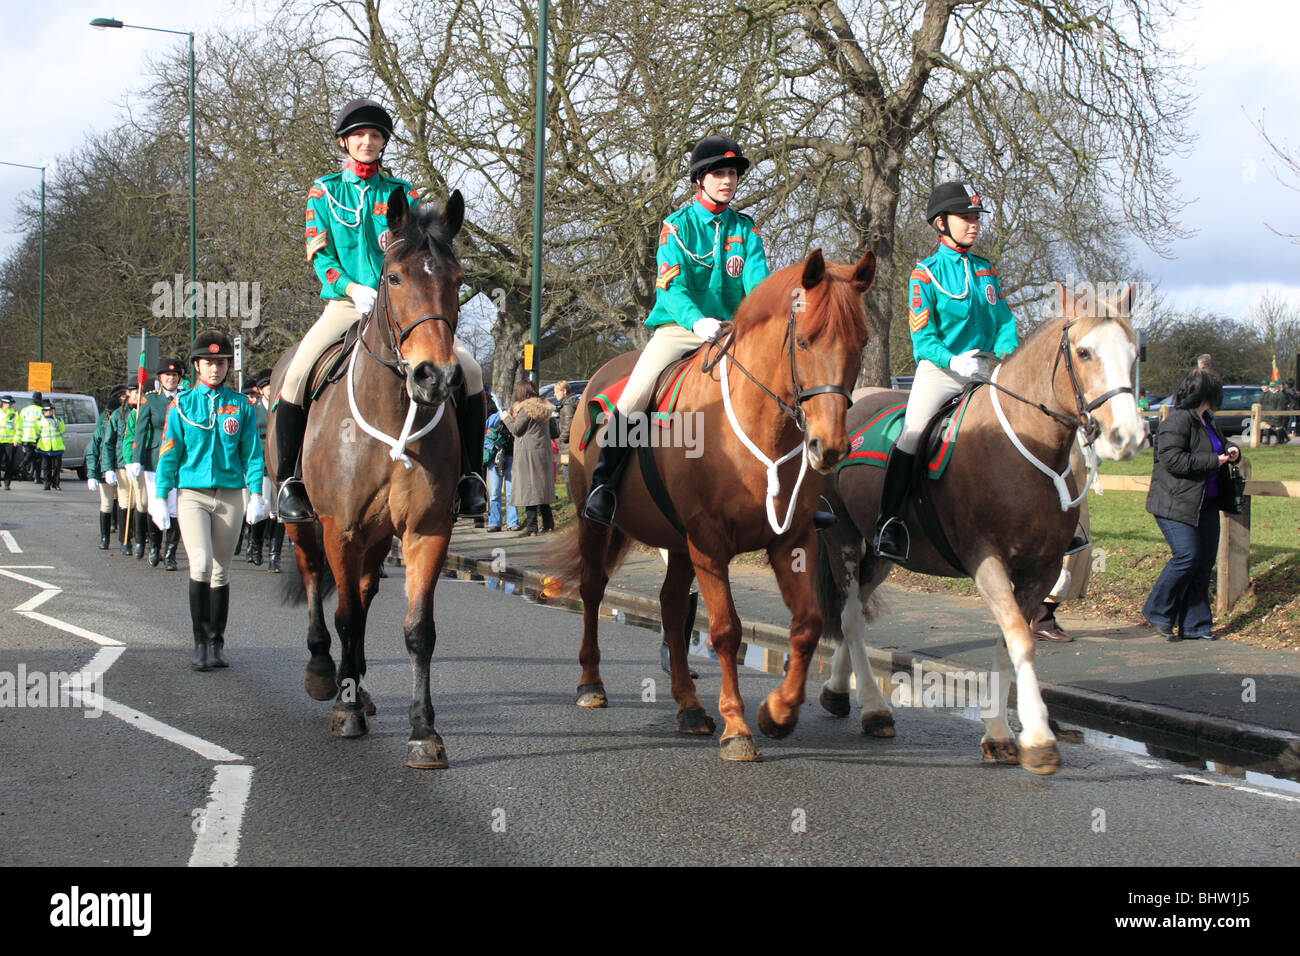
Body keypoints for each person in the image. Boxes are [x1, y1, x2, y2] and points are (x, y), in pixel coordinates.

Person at [276, 96, 486, 525]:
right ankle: (288, 482)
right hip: (346, 303)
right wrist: (351, 287)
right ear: (344, 142)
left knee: (473, 372)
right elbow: (319, 254)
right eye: (359, 135)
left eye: (375, 136)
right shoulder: (324, 191)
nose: (368, 142)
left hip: (400, 306)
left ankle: (470, 475)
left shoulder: (402, 193)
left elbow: (422, 252)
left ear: (384, 143)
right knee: (296, 375)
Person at [584, 134, 770, 524]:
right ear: (700, 179)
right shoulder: (677, 227)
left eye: (733, 173)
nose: (728, 180)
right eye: (719, 173)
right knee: (636, 394)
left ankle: (804, 493)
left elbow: (759, 285)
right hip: (681, 329)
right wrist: (696, 320)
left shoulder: (746, 231)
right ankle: (603, 484)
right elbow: (670, 287)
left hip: (733, 333)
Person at [873, 182, 1019, 560]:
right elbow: (923, 339)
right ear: (941, 223)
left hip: (984, 371)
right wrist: (953, 361)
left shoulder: (987, 270)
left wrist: (1009, 352)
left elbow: (1003, 319)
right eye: (965, 218)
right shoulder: (924, 274)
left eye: (976, 218)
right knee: (912, 434)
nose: (974, 225)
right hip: (941, 371)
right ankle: (889, 522)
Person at [154, 330, 265, 671]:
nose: (215, 369)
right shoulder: (182, 405)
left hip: (230, 494)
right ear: (196, 366)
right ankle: (200, 642)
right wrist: (161, 494)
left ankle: (217, 643)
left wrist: (256, 492)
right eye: (208, 363)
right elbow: (170, 452)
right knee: (200, 563)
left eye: (221, 363)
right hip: (193, 494)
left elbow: (252, 453)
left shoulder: (242, 405)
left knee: (221, 570)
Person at [1142, 367, 1239, 642]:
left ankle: (1195, 624)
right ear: (1209, 393)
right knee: (1187, 556)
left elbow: (1217, 443)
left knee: (1203, 564)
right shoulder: (1177, 421)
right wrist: (1215, 461)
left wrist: (1232, 450)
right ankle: (1157, 610)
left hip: (1205, 503)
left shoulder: (1206, 419)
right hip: (1174, 503)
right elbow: (1173, 460)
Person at [131, 359, 184, 568]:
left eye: (174, 375)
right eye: (167, 376)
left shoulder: (185, 399)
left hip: (180, 460)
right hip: (156, 459)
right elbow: (141, 430)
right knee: (156, 505)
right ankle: (154, 547)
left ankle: (170, 554)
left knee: (175, 507)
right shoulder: (151, 400)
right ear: (160, 379)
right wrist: (136, 459)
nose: (171, 379)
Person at [501, 381, 556, 536]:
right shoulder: (546, 408)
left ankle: (532, 527)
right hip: (543, 452)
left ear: (522, 393)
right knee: (541, 489)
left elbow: (516, 430)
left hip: (527, 454)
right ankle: (548, 524)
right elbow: (554, 431)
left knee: (529, 490)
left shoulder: (526, 409)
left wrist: (506, 418)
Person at [86, 385, 125, 549]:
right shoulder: (101, 430)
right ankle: (105, 538)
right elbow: (92, 452)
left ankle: (125, 539)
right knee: (107, 503)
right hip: (105, 469)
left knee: (124, 502)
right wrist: (91, 475)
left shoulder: (124, 427)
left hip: (121, 468)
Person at [484, 398, 519, 532]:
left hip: (511, 456)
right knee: (494, 491)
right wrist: (493, 446)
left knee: (511, 491)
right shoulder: (495, 417)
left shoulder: (516, 420)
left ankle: (512, 521)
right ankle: (495, 522)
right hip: (495, 457)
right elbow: (485, 435)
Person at [552, 380, 580, 484]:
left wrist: (559, 440)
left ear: (564, 391)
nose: (554, 395)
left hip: (568, 446)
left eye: (556, 392)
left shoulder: (568, 404)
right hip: (570, 445)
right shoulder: (570, 402)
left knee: (567, 472)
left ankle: (572, 497)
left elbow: (568, 427)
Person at [36, 402, 66, 490]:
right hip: (44, 447)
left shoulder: (59, 420)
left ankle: (56, 483)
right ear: (44, 412)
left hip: (57, 447)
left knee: (57, 467)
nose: (50, 412)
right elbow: (37, 432)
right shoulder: (39, 421)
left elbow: (62, 431)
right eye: (48, 411)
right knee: (46, 467)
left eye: (51, 410)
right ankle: (47, 483)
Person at [18, 391, 45, 482]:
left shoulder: (24, 410)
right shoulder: (41, 411)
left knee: (29, 454)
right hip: (36, 437)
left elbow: (19, 424)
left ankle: (24, 466)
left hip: (25, 437)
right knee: (37, 457)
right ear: (40, 400)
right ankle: (36, 476)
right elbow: (43, 425)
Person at [0, 395, 18, 489]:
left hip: (10, 442)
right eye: (9, 404)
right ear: (3, 403)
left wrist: (16, 440)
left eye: (11, 404)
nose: (10, 405)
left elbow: (18, 428)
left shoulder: (14, 414)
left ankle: (7, 483)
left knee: (9, 463)